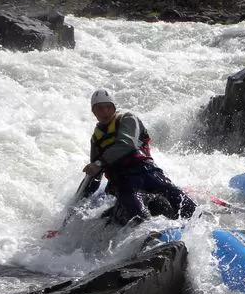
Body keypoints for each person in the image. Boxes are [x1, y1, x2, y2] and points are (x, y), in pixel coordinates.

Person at [82, 88, 196, 225]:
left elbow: (127, 144)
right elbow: (94, 175)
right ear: (93, 112)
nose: (105, 112)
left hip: (146, 171)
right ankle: (152, 236)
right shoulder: (96, 139)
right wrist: (78, 206)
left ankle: (200, 219)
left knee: (175, 195)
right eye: (99, 108)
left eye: (108, 107)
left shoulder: (128, 119)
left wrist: (99, 163)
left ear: (114, 107)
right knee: (137, 214)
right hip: (123, 181)